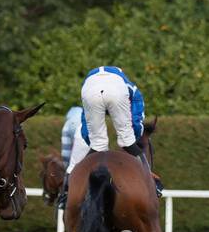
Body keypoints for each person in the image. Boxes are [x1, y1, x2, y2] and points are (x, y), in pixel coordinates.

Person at [59, 66, 158, 208]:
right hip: (116, 92)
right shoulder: (127, 84)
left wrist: (92, 141)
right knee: (127, 142)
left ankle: (66, 194)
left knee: (95, 147)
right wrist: (132, 137)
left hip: (89, 93)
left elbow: (85, 125)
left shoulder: (88, 82)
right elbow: (137, 116)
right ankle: (151, 182)